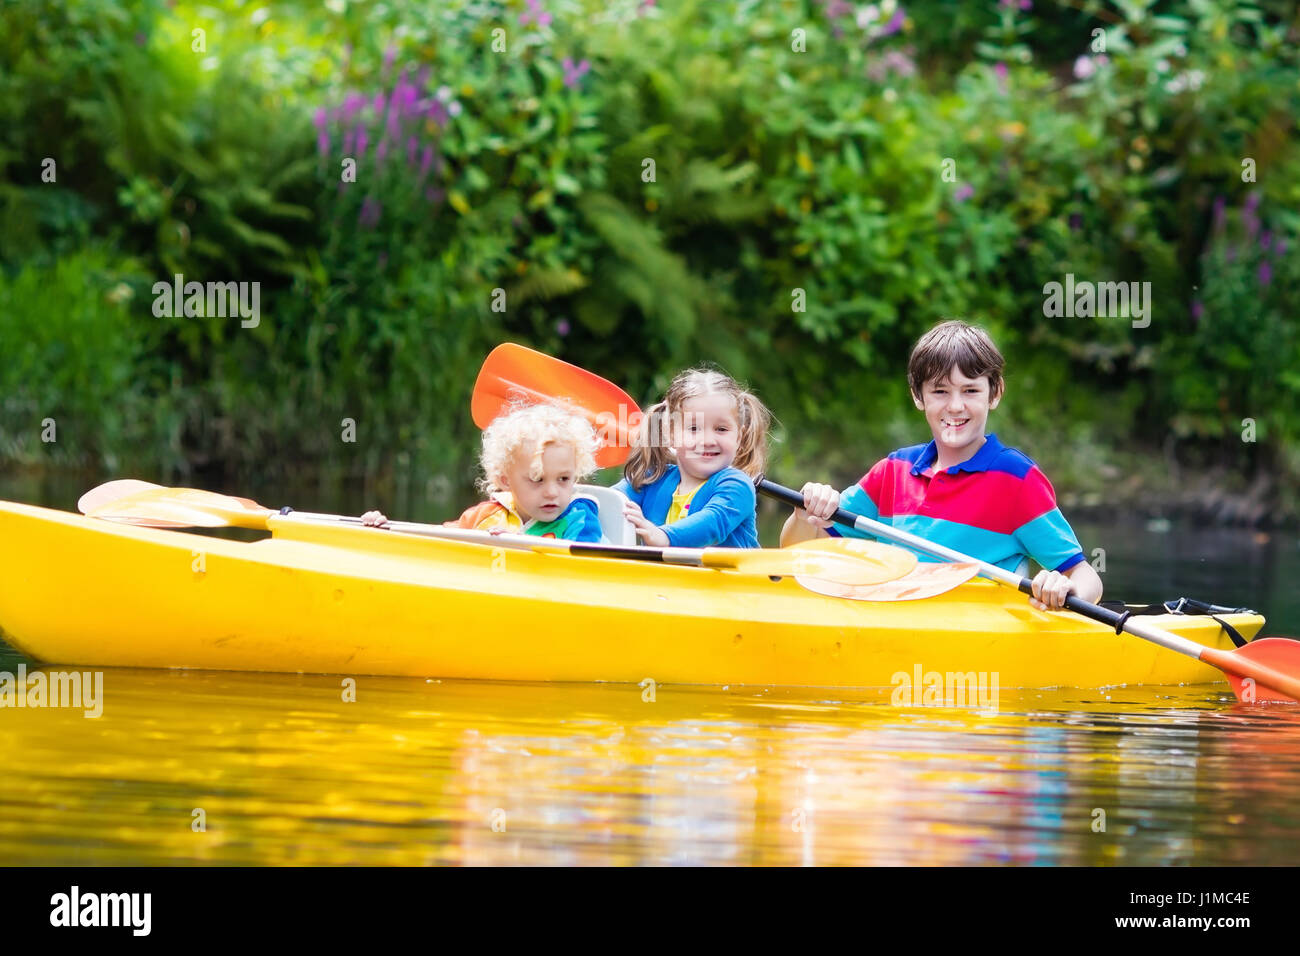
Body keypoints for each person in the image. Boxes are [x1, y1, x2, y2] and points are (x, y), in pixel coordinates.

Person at [780, 320, 1103, 611]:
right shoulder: (893, 471)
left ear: (995, 393)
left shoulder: (1016, 479)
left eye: (970, 390)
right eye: (940, 391)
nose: (956, 406)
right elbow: (798, 555)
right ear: (918, 396)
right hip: (896, 631)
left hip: (976, 648)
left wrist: (1065, 587)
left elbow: (1086, 576)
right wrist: (803, 513)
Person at [362, 402, 603, 541]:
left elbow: (583, 571)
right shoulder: (483, 517)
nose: (552, 492)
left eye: (563, 479)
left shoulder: (580, 520)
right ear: (504, 480)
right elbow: (433, 541)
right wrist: (386, 529)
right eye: (537, 479)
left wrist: (519, 546)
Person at [614, 367, 771, 549]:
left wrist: (663, 536)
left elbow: (712, 523)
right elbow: (610, 499)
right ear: (671, 435)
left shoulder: (737, 486)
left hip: (729, 578)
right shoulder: (653, 478)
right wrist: (583, 500)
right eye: (694, 429)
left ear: (739, 438)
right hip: (666, 577)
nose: (707, 440)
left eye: (721, 429)